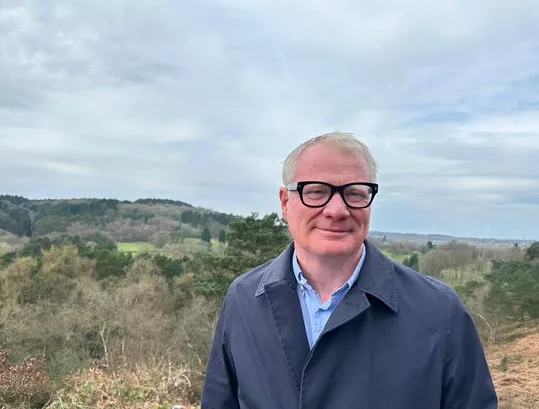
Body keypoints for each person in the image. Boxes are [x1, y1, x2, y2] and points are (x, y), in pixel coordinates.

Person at [200, 132, 497, 409]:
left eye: (355, 193)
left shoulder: (439, 310)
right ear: (285, 202)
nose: (337, 210)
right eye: (315, 191)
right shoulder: (244, 298)